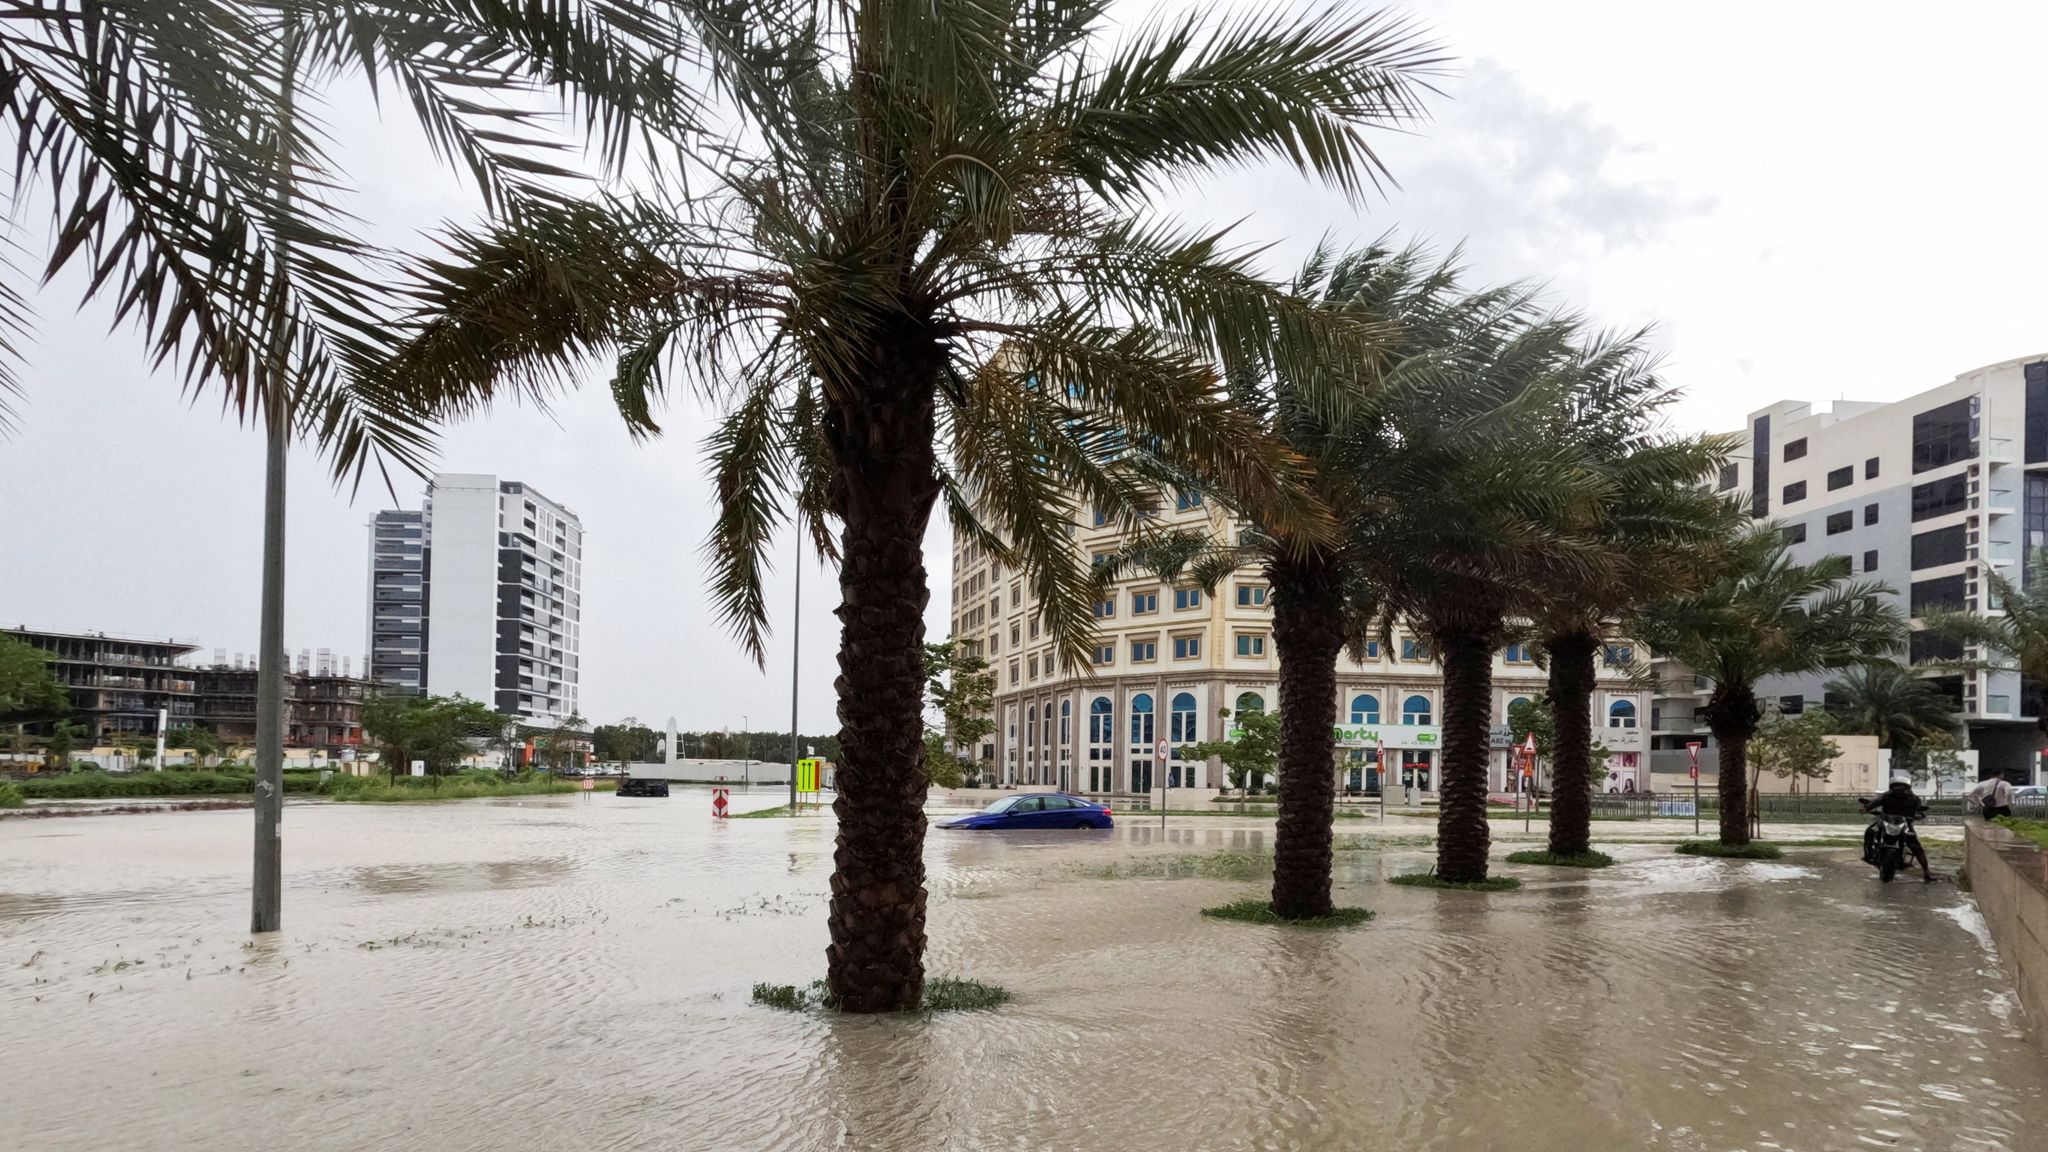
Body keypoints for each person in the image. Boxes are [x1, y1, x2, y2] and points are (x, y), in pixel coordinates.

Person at [1859, 776, 1934, 882]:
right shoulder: (1886, 796)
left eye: (1902, 786)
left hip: (1905, 824)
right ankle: (1868, 855)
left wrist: (1919, 815)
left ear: (1907, 787)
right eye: (1896, 786)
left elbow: (1920, 811)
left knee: (1916, 847)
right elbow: (1875, 802)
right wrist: (1866, 808)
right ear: (1892, 787)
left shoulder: (1914, 799)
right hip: (1885, 821)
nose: (1899, 788)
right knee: (1870, 832)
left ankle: (1927, 873)